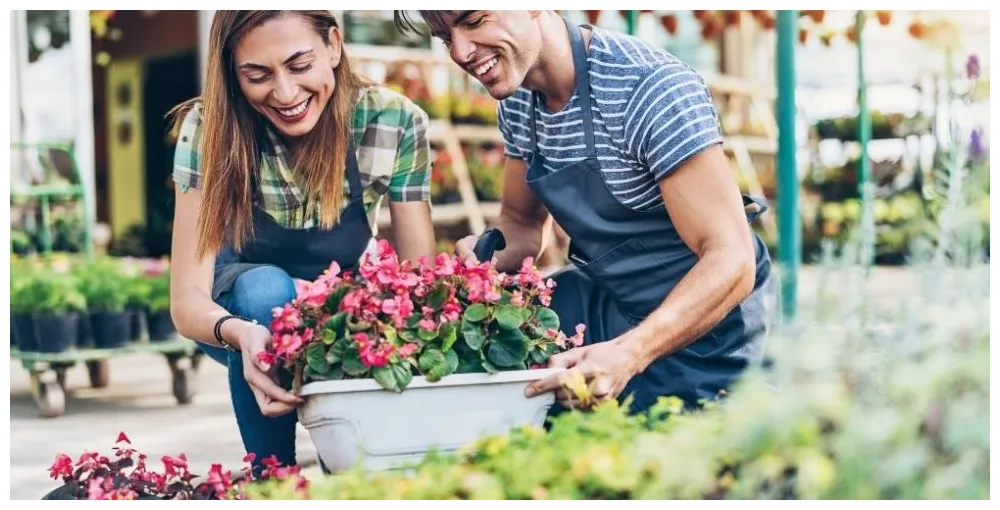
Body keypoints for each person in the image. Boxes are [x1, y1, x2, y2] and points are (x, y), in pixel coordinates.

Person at [395, 11, 776, 414]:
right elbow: (522, 224)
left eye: (473, 20)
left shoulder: (648, 87)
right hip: (615, 303)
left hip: (712, 332)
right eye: (443, 36)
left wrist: (629, 352)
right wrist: (481, 260)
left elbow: (731, 258)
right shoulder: (519, 101)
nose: (460, 51)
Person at [168, 10, 436, 473]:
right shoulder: (212, 127)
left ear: (333, 45)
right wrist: (243, 333)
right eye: (257, 75)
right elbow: (187, 302)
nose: (286, 93)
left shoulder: (391, 121)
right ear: (233, 75)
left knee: (354, 473)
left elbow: (421, 283)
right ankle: (274, 479)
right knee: (267, 293)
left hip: (338, 311)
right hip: (243, 315)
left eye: (299, 65)